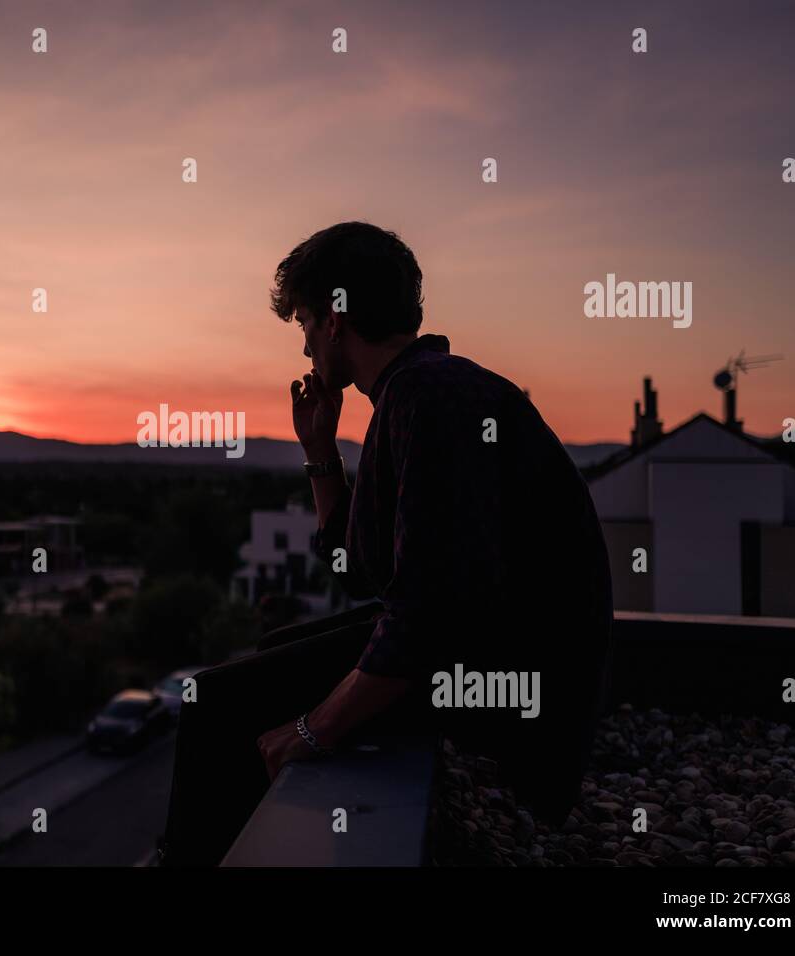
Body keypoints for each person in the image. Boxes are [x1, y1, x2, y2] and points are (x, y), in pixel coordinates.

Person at [159, 221, 612, 867]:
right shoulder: (413, 391)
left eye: (306, 323)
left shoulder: (432, 395)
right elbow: (362, 571)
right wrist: (320, 450)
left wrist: (312, 731)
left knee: (222, 707)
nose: (307, 344)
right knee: (277, 652)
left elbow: (431, 610)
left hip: (520, 691)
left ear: (336, 317)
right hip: (492, 655)